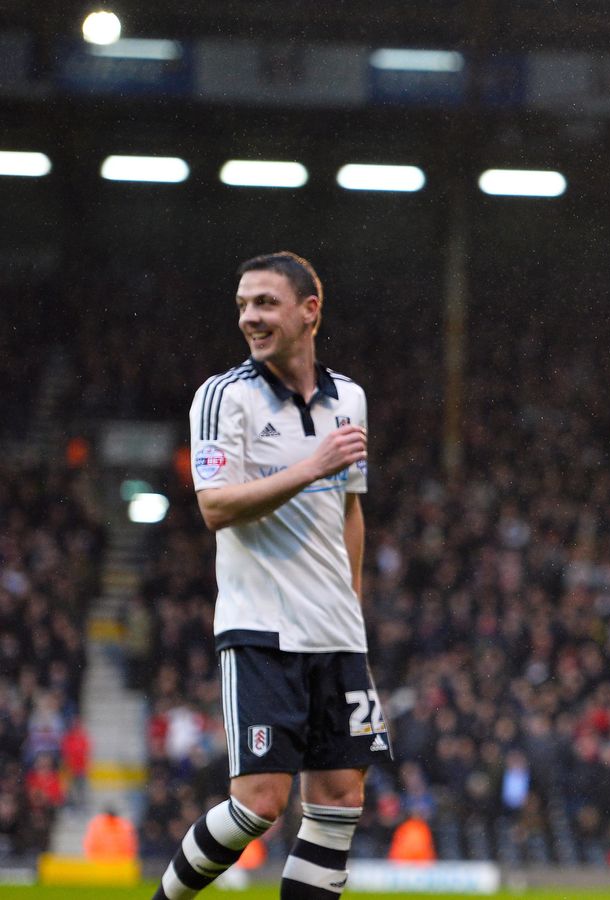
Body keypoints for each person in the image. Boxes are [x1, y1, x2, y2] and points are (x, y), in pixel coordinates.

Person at [153, 252, 386, 900]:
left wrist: (353, 611)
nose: (249, 318)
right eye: (242, 306)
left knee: (340, 800)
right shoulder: (224, 396)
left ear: (310, 311)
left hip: (336, 634)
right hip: (262, 629)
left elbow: (350, 511)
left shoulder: (351, 399)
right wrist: (310, 467)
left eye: (264, 303)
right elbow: (214, 505)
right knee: (258, 804)